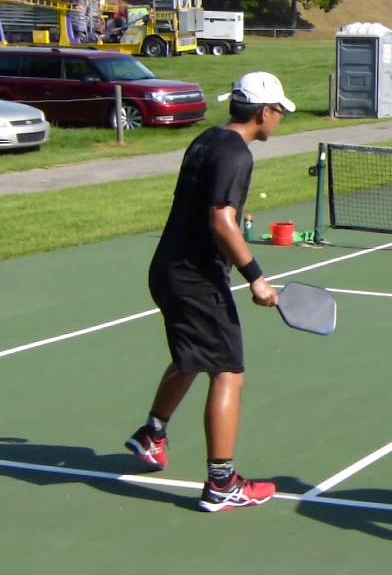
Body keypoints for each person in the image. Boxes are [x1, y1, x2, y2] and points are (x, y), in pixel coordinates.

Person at [124, 71, 295, 513]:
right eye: (279, 112)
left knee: (194, 354)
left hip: (167, 268)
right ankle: (222, 483)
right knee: (228, 370)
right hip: (195, 279)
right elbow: (220, 219)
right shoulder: (238, 155)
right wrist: (256, 276)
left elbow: (211, 205)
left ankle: (152, 434)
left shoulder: (208, 139)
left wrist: (233, 216)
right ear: (263, 112)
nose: (279, 120)